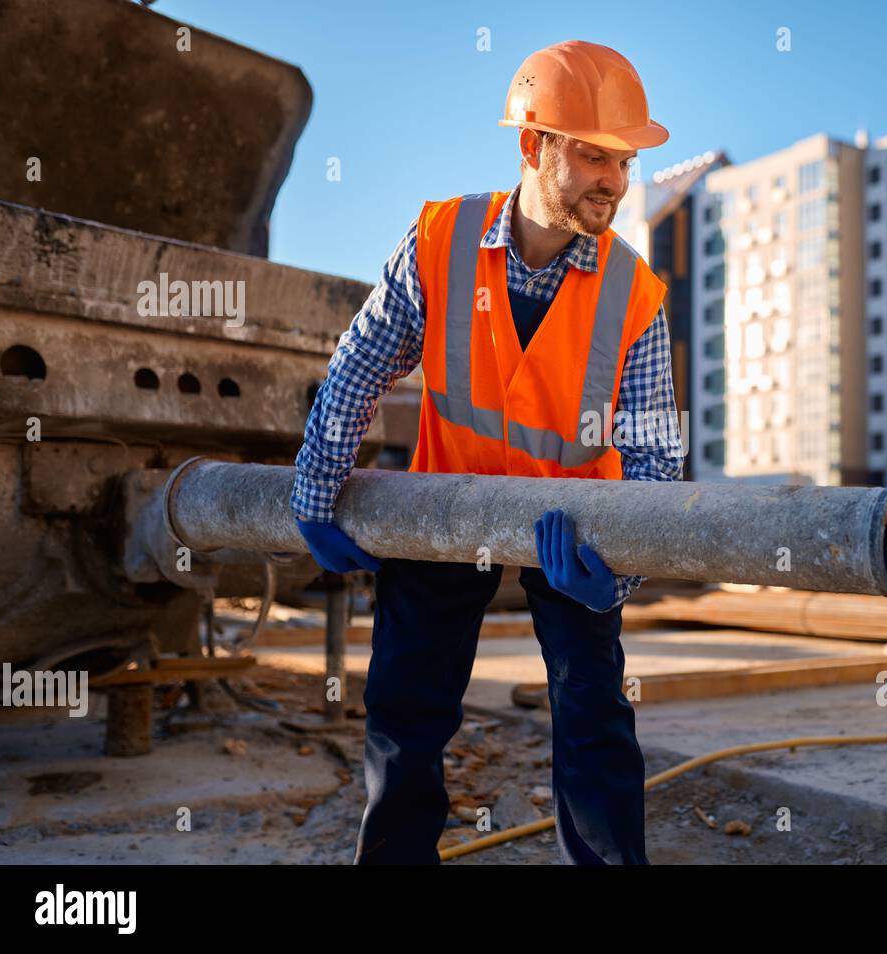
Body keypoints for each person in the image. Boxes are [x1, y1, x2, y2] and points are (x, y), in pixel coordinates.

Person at [289, 39, 683, 865]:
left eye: (622, 159)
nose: (613, 178)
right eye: (591, 155)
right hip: (445, 507)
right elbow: (361, 360)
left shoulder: (634, 292)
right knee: (405, 715)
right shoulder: (443, 238)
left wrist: (622, 572)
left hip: (573, 526)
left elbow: (655, 464)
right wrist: (315, 491)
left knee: (594, 721)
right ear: (531, 146)